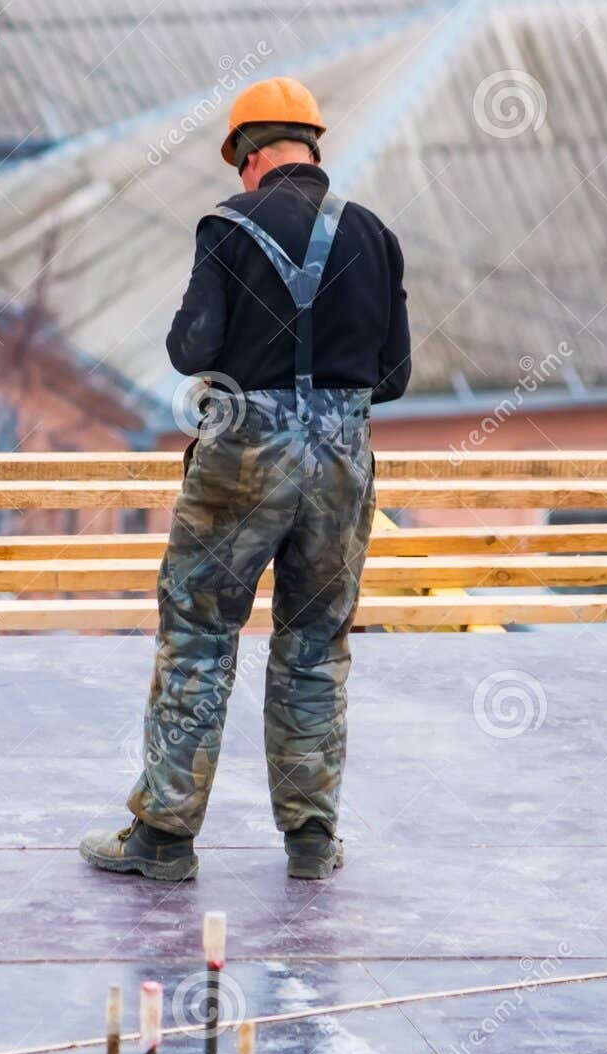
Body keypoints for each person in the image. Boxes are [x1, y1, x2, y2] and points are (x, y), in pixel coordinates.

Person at [79, 76, 410, 882]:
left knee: (199, 632)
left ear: (250, 156)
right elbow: (393, 376)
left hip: (244, 454)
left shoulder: (227, 225)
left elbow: (193, 349)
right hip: (340, 457)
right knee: (312, 643)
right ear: (313, 152)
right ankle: (309, 839)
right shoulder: (376, 235)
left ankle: (162, 839)